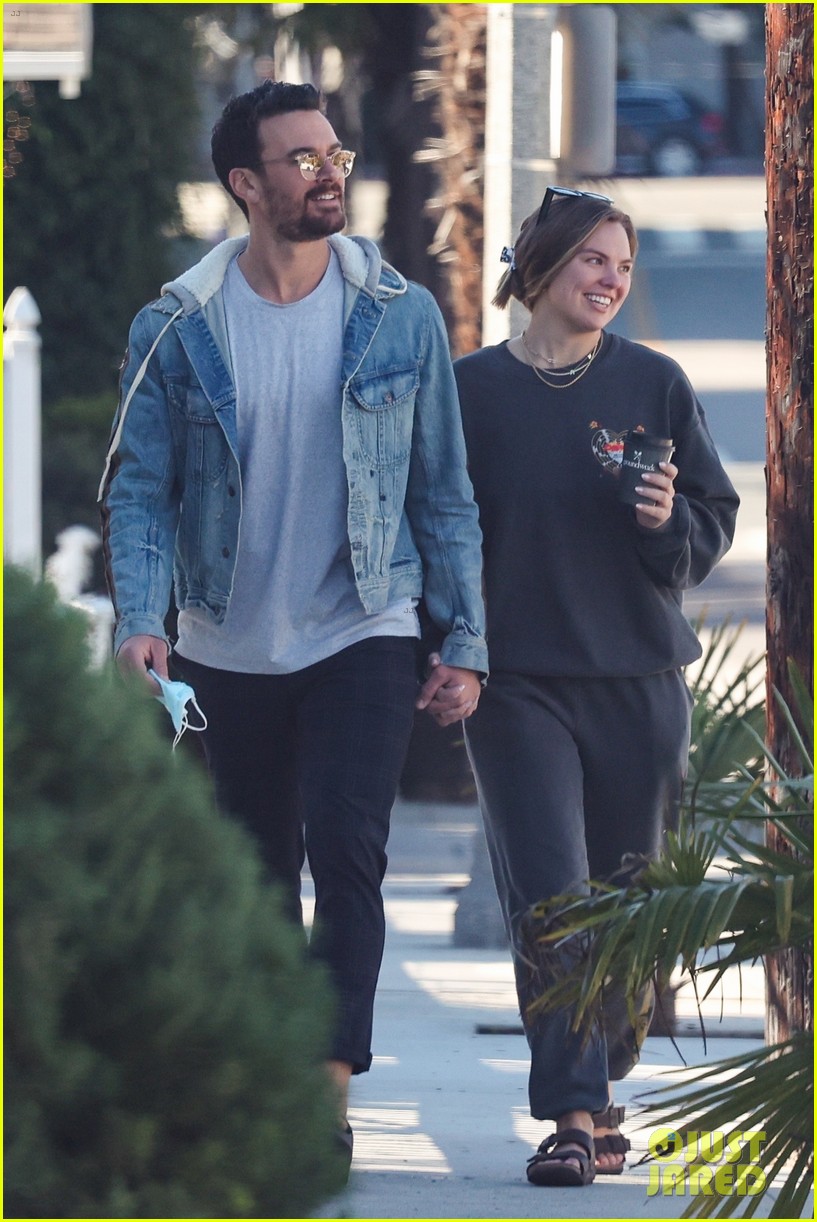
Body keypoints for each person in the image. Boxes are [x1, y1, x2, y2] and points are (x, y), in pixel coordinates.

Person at [99, 80, 487, 1170]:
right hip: (225, 636)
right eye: (304, 159)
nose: (330, 173)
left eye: (335, 154)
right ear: (246, 184)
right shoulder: (178, 324)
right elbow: (140, 489)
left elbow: (442, 490)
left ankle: (324, 1094)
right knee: (257, 869)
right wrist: (143, 619)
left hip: (364, 619)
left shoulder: (397, 313)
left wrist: (463, 639)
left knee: (349, 854)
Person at [453, 186, 739, 1187]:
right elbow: (435, 529)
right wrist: (447, 650)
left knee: (628, 908)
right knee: (551, 900)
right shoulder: (470, 391)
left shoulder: (654, 384)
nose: (612, 280)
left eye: (623, 265)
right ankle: (572, 1114)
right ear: (540, 269)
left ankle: (602, 1077)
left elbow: (710, 523)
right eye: (593, 261)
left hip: (639, 679)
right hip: (517, 684)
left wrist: (667, 518)